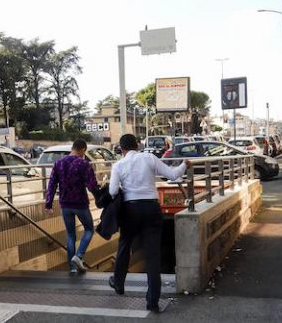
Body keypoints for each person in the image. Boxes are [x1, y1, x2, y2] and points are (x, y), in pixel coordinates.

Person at [108, 134, 191, 313]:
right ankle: (153, 301)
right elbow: (173, 175)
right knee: (153, 254)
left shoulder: (118, 165)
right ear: (137, 145)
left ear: (121, 149)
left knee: (125, 245)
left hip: (130, 210)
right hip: (152, 209)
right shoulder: (149, 158)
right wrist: (184, 164)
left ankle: (119, 283)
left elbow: (113, 190)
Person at [45, 139, 98, 274]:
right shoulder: (83, 163)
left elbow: (52, 184)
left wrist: (49, 203)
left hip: (65, 205)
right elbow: (92, 185)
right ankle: (79, 256)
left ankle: (72, 268)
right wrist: (100, 198)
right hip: (80, 204)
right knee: (89, 229)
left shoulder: (59, 163)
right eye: (84, 152)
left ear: (72, 148)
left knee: (70, 235)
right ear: (82, 150)